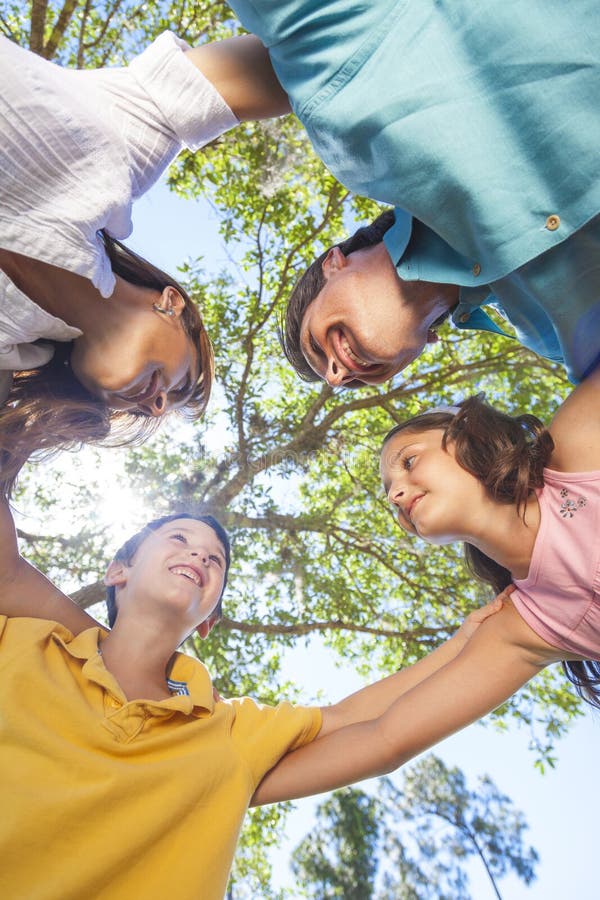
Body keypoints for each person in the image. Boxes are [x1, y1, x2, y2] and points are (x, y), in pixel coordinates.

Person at [0, 505, 503, 899]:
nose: (199, 555)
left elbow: (367, 727)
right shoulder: (22, 643)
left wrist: (463, 646)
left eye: (214, 560)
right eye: (179, 539)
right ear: (117, 571)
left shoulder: (227, 732)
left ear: (208, 620)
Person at [247, 362, 600, 806]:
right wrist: (219, 790)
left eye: (409, 461)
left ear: (467, 434)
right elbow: (382, 738)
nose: (396, 493)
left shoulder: (577, 451)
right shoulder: (526, 626)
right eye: (389, 492)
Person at [224, 0, 600, 387]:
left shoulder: (357, 121)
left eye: (314, 347)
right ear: (424, 346)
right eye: (350, 385)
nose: (338, 378)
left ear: (335, 263)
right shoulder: (555, 339)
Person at [0, 30, 289, 491]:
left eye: (155, 408)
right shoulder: (122, 149)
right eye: (181, 385)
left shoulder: (7, 353)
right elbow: (312, 62)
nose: (156, 406)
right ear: (172, 304)